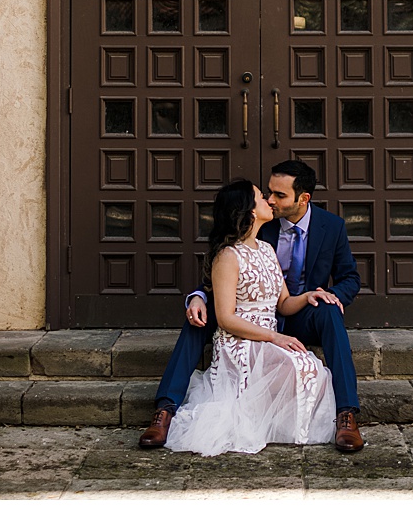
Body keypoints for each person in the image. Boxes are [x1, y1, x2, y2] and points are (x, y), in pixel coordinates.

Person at [139, 159, 365, 453]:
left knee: (330, 310)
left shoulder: (331, 227)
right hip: (242, 319)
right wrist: (198, 296)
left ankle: (346, 414)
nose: (271, 200)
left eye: (279, 195)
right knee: (198, 318)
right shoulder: (261, 225)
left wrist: (324, 294)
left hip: (295, 313)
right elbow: (223, 272)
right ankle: (165, 410)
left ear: (303, 198)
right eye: (267, 193)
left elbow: (349, 277)